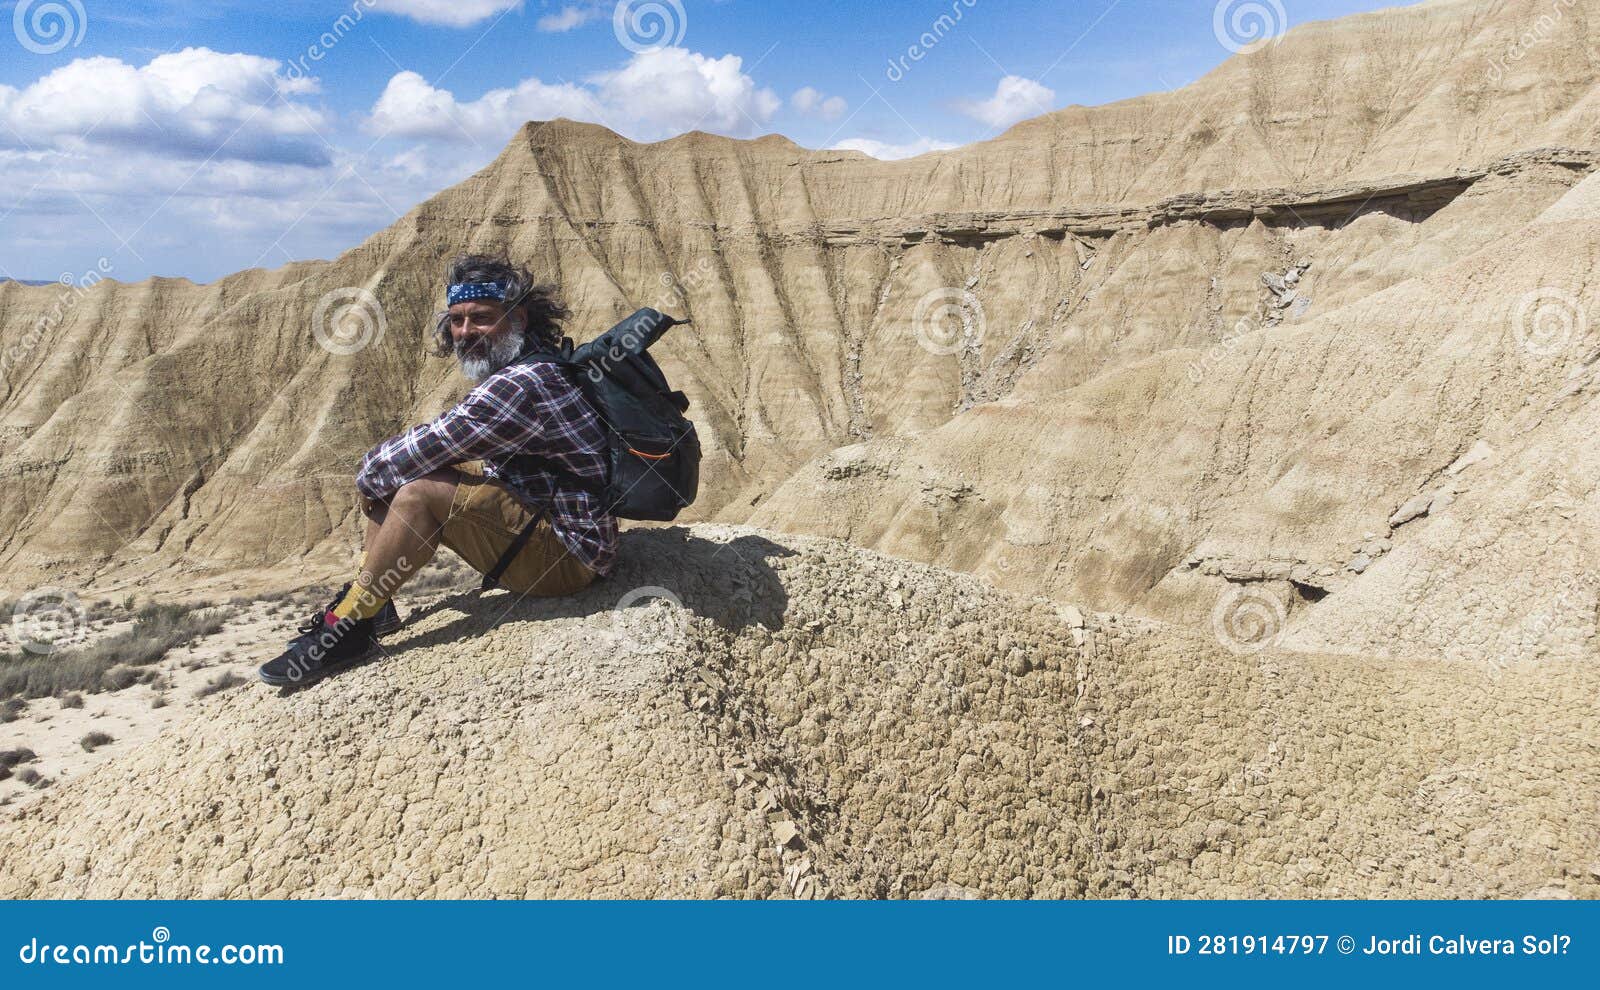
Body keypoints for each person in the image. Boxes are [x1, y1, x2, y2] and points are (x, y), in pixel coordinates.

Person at [258, 255, 618, 686]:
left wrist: (377, 478)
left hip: (569, 561)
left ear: (518, 317)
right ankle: (376, 602)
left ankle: (350, 624)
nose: (465, 332)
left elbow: (407, 455)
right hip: (563, 530)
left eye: (481, 318)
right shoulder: (539, 364)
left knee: (413, 487)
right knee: (407, 474)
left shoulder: (519, 385)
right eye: (457, 320)